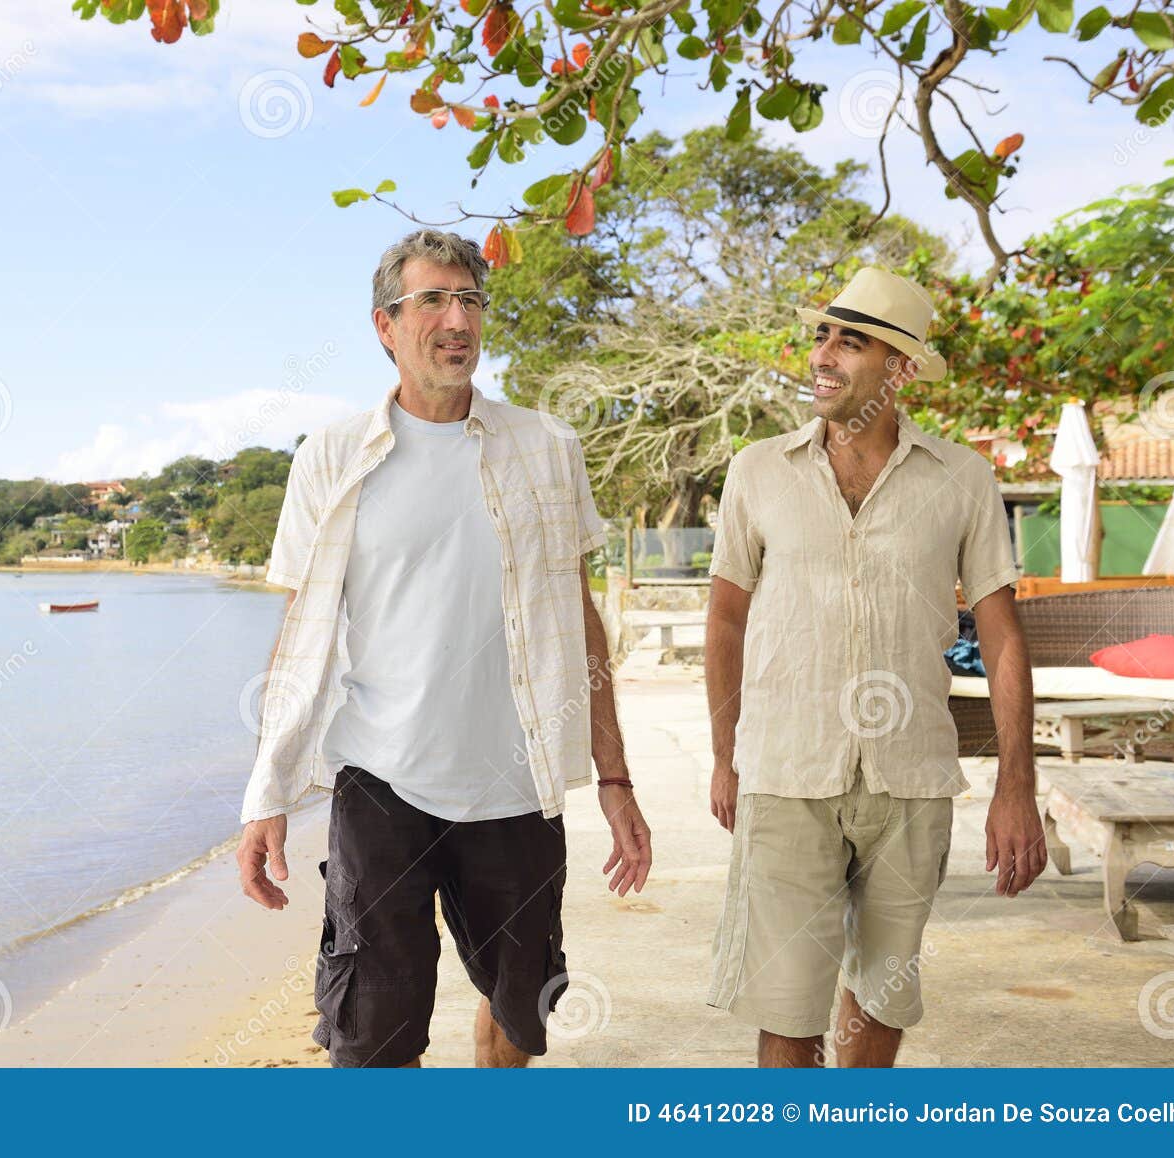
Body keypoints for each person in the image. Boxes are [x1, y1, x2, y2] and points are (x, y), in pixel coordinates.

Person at [236, 229, 652, 1068]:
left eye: (469, 301)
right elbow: (303, 635)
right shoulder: (329, 458)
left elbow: (579, 620)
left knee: (519, 1011)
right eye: (432, 300)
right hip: (380, 781)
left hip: (514, 781)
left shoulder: (545, 448)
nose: (456, 320)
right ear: (385, 326)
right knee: (373, 1035)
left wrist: (613, 776)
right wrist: (265, 793)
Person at [703, 266, 1045, 1067]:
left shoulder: (963, 478)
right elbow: (725, 618)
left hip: (911, 780)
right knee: (786, 1011)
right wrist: (725, 756)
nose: (822, 353)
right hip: (787, 772)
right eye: (821, 335)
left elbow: (1001, 635)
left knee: (880, 1002)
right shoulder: (758, 471)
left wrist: (1016, 787)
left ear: (898, 369)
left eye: (848, 341)